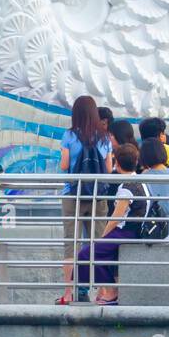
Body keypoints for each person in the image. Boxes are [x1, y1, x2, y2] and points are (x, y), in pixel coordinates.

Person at [56, 95, 113, 305]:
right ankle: (103, 292)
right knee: (98, 244)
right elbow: (108, 169)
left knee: (71, 244)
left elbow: (64, 166)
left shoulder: (69, 135)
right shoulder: (104, 137)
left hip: (73, 194)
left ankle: (69, 292)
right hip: (97, 196)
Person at [76, 143, 149, 305]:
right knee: (101, 254)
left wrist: (102, 237)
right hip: (135, 231)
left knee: (85, 255)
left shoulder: (126, 188)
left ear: (117, 163)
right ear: (136, 161)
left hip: (126, 232)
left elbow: (116, 218)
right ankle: (111, 291)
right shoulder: (141, 181)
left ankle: (112, 291)